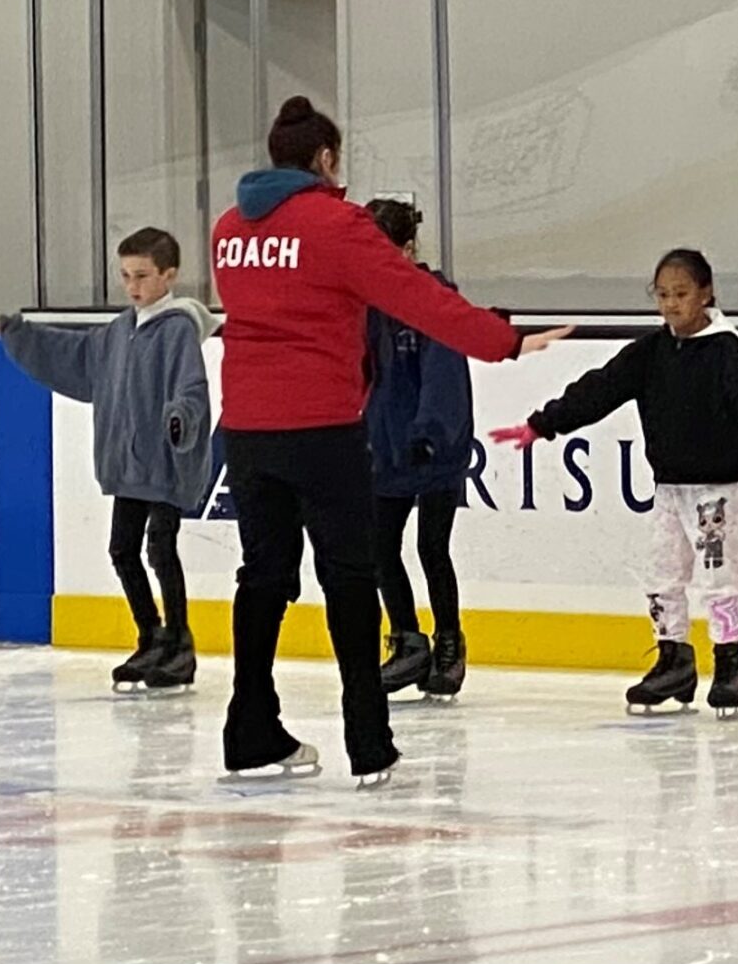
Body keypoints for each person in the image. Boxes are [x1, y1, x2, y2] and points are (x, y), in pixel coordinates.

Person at [212, 96, 571, 785]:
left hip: (249, 428)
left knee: (263, 574)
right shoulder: (335, 223)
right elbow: (418, 299)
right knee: (348, 575)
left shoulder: (229, 228)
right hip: (321, 426)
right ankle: (368, 740)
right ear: (324, 159)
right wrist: (506, 341)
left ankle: (249, 727)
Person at [490, 249, 738, 718]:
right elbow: (598, 389)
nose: (671, 304)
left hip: (718, 492)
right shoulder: (651, 352)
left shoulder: (725, 349)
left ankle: (729, 660)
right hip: (670, 490)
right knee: (662, 576)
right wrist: (543, 424)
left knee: (719, 579)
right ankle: (673, 659)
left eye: (681, 294)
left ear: (706, 294)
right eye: (662, 295)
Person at [0, 227, 218, 692]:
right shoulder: (120, 329)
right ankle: (150, 636)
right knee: (122, 550)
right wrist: (23, 336)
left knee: (160, 547)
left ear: (169, 275)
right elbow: (77, 357)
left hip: (161, 464)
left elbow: (191, 387)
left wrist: (180, 418)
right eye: (125, 276)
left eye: (142, 275)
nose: (133, 286)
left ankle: (179, 643)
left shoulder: (177, 330)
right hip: (127, 466)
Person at [364, 199, 474, 700]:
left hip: (435, 449)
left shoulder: (433, 300)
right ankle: (408, 640)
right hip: (385, 446)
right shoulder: (364, 304)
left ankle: (449, 644)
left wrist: (429, 432)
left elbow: (443, 372)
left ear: (407, 250)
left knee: (432, 546)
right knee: (380, 545)